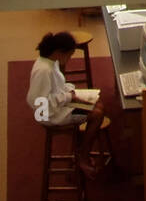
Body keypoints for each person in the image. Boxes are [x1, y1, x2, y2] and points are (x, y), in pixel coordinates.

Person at [27, 31, 105, 176]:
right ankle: (83, 156)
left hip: (60, 104)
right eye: (69, 55)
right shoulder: (44, 70)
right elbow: (39, 102)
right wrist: (69, 97)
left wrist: (71, 94)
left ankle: (81, 149)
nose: (69, 59)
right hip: (50, 114)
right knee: (97, 114)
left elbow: (57, 88)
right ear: (59, 52)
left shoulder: (50, 62)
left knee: (99, 103)